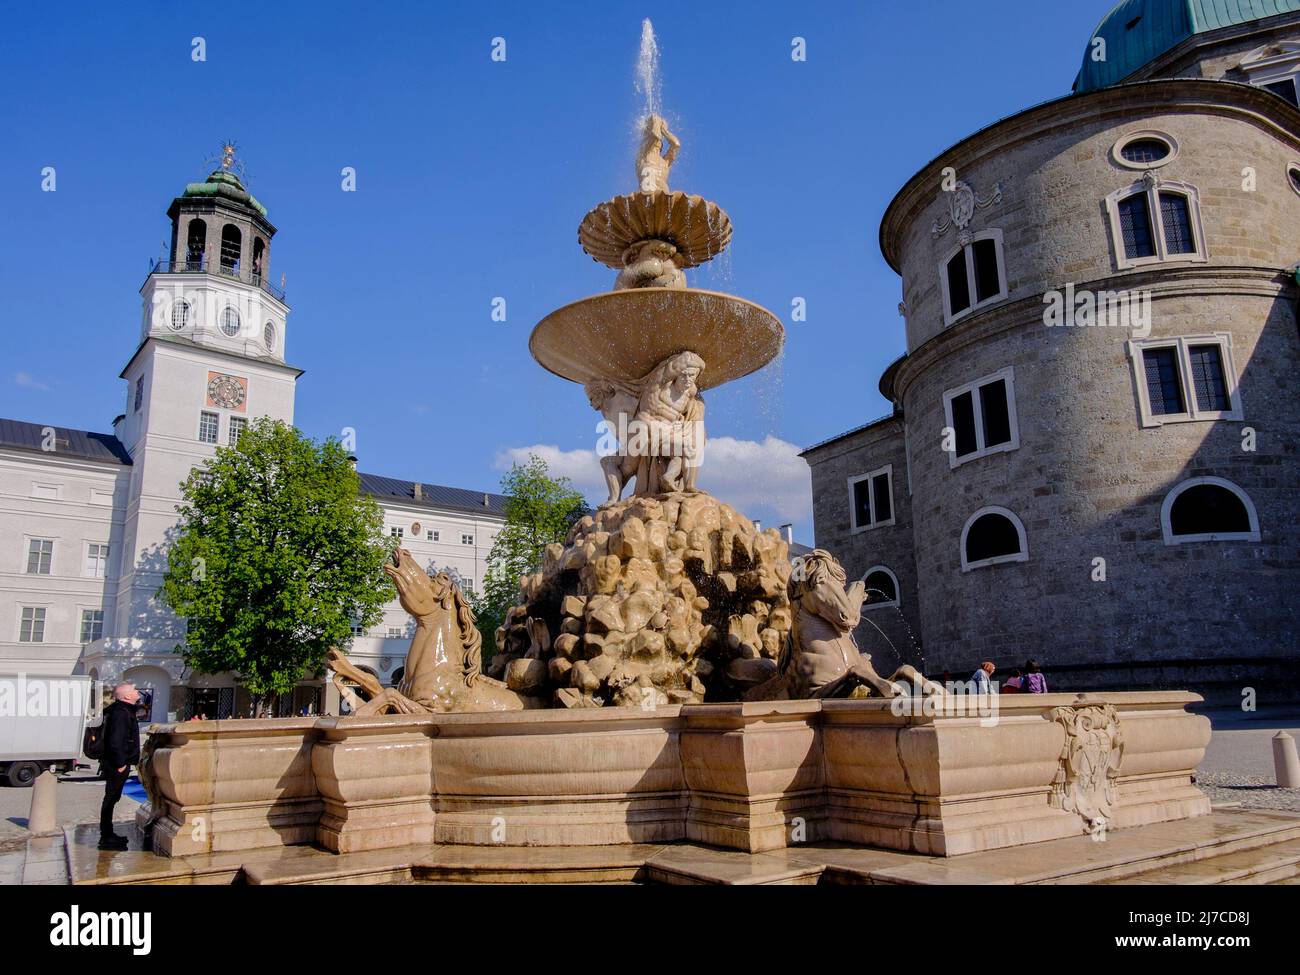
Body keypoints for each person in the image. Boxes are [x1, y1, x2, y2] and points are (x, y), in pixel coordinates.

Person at [99, 683, 142, 850]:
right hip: (116, 764)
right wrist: (121, 763)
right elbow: (116, 741)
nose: (137, 691)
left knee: (112, 798)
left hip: (117, 763)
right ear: (126, 696)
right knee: (110, 798)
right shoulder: (121, 713)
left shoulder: (121, 710)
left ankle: (107, 834)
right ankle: (106, 836)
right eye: (134, 690)